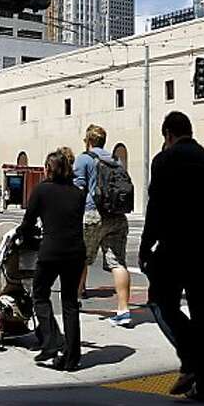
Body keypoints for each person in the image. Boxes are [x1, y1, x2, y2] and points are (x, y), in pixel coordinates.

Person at [140, 111, 204, 403]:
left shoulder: (164, 162)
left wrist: (146, 246)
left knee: (161, 303)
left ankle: (191, 357)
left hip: (174, 247)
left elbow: (155, 208)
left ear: (168, 134)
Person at [19, 147, 86, 370]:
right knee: (69, 303)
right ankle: (72, 357)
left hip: (51, 251)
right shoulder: (78, 193)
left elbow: (28, 223)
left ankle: (50, 339)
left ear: (48, 169)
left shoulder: (42, 191)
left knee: (39, 293)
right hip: (76, 252)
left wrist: (26, 239)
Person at [74, 124, 133, 327]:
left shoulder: (84, 158)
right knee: (118, 263)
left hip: (92, 214)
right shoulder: (115, 160)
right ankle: (124, 310)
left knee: (80, 258)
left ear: (88, 141)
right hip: (117, 216)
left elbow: (79, 186)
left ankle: (75, 299)